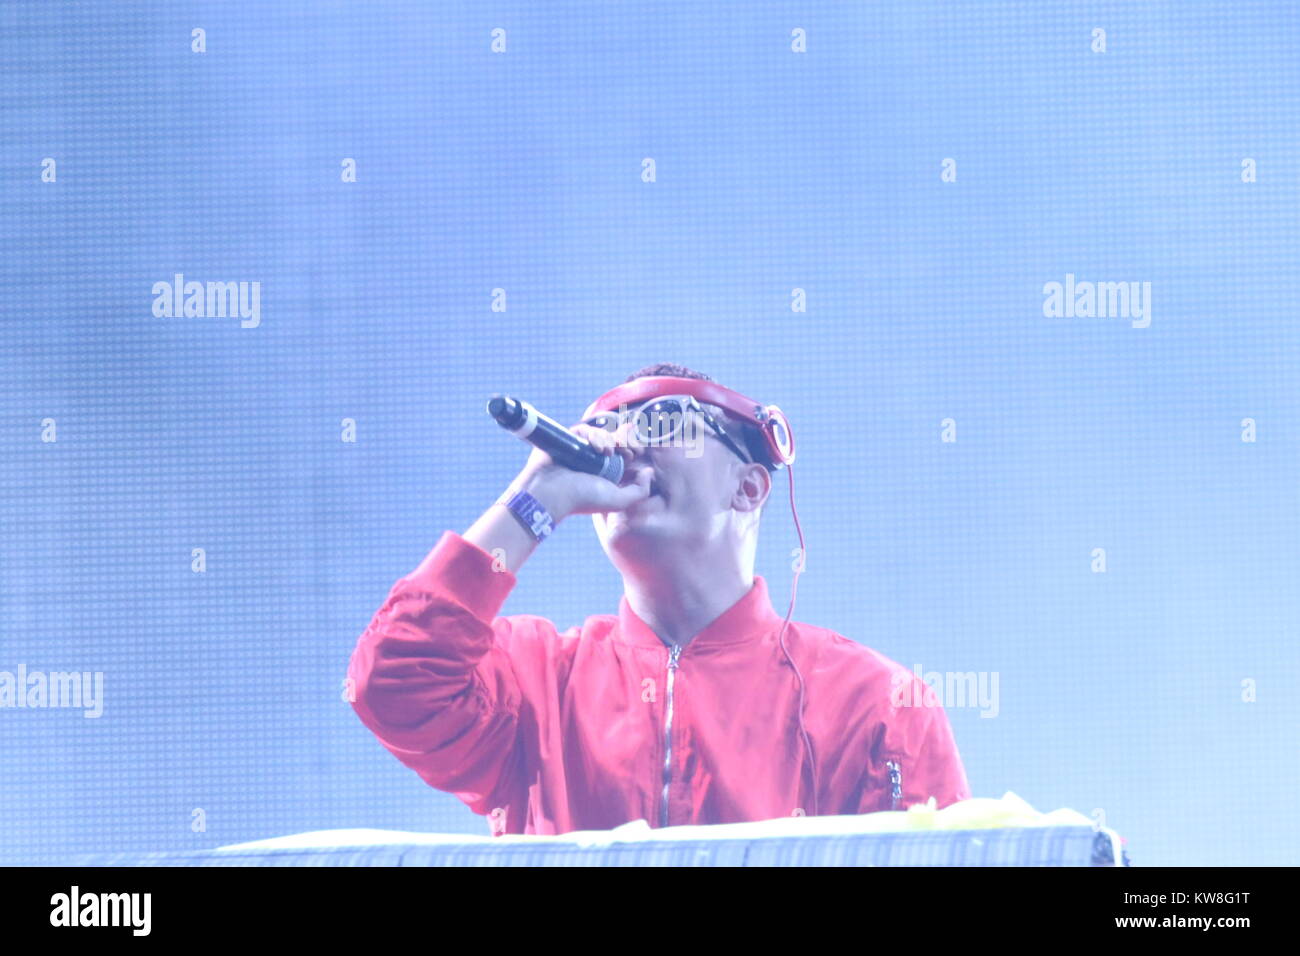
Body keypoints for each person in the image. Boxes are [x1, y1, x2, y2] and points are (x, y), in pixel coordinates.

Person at [346, 362, 971, 835]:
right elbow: (392, 682)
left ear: (750, 488)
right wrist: (535, 496)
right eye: (609, 428)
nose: (626, 445)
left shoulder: (876, 703)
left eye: (663, 423)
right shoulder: (536, 679)